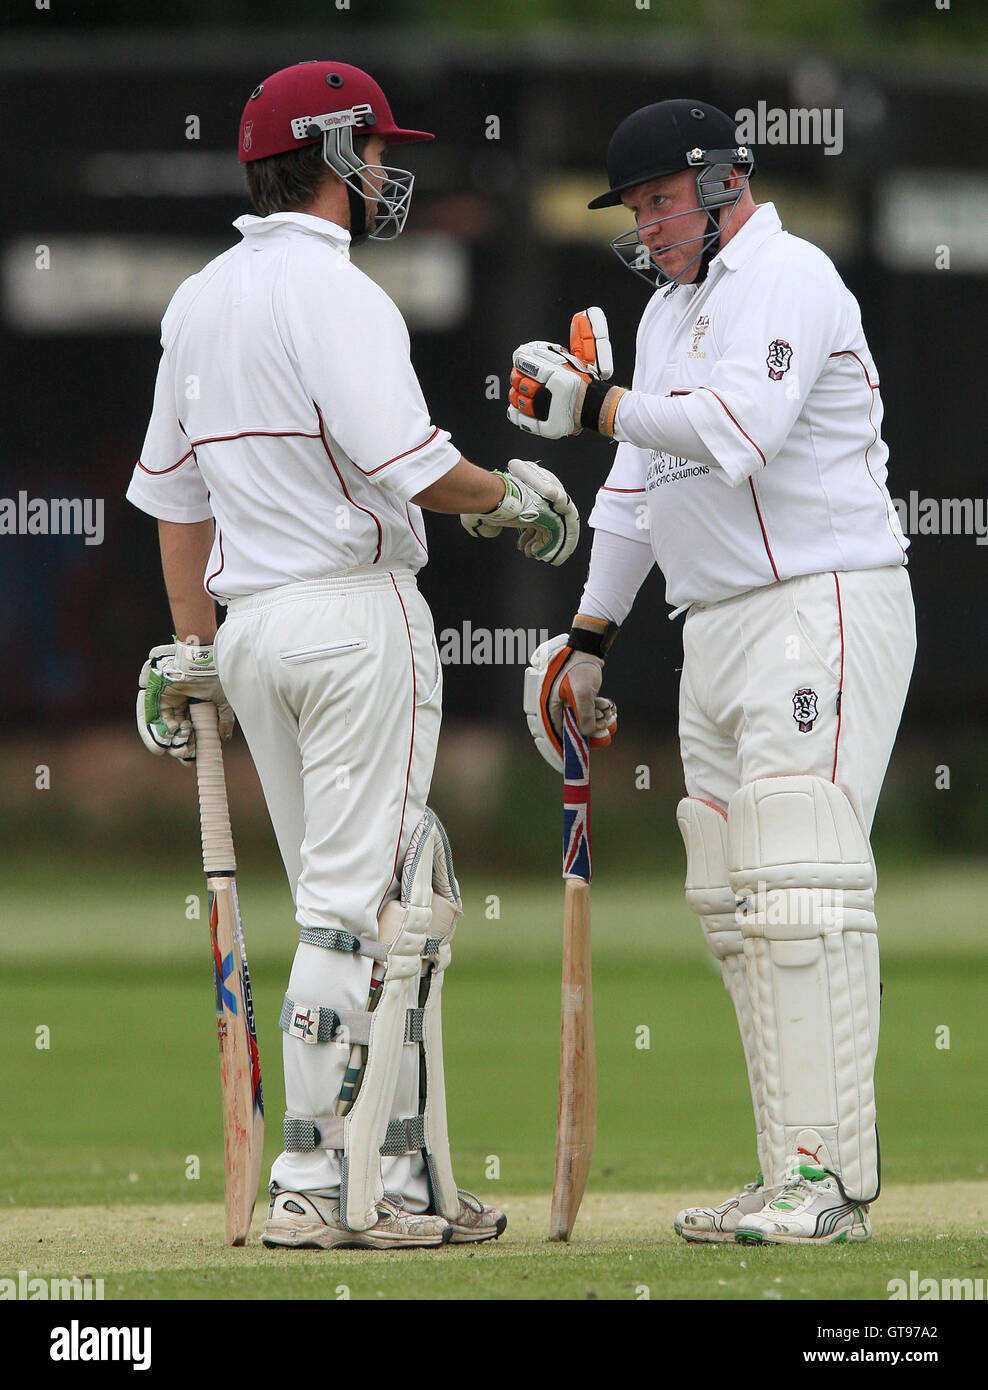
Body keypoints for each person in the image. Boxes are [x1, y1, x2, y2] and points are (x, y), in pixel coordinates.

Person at [129, 59, 580, 1251]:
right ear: (332, 156)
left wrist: (194, 653)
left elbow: (174, 502)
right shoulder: (340, 295)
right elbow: (409, 465)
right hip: (354, 613)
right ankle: (313, 1182)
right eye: (376, 151)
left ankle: (398, 1171)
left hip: (256, 633)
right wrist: (515, 502)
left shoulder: (200, 299)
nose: (387, 172)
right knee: (355, 909)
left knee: (395, 891)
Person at [514, 99, 915, 1245]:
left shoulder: (788, 276)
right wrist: (587, 641)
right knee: (729, 897)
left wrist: (589, 403)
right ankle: (784, 1169)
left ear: (724, 180)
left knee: (800, 885)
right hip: (715, 621)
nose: (646, 225)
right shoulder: (666, 314)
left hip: (822, 600)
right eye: (633, 209)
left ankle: (825, 1179)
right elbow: (637, 488)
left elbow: (740, 428)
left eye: (658, 201)